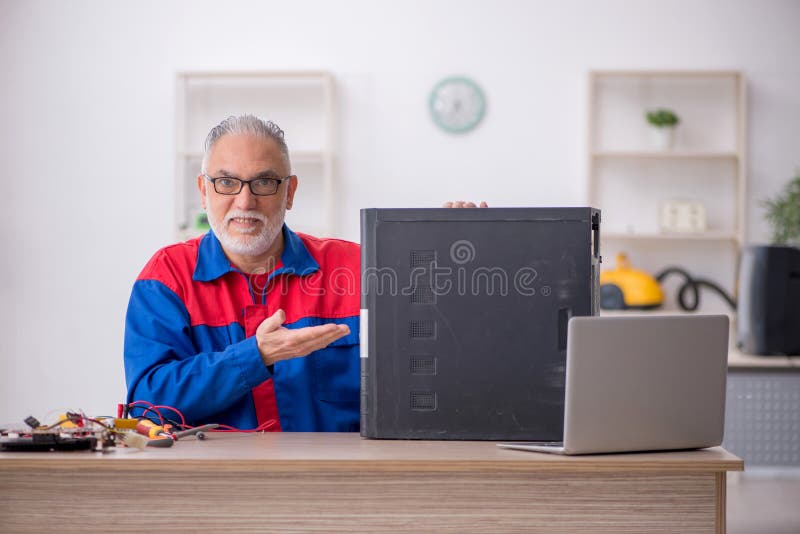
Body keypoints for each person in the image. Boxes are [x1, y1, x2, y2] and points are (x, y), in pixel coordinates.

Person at [124, 114, 486, 432]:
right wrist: (256, 355)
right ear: (204, 191)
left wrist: (464, 262)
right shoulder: (167, 278)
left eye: (264, 183)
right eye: (226, 182)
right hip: (219, 490)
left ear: (290, 192)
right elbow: (147, 406)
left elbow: (439, 343)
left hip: (343, 486)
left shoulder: (360, 268)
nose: (245, 201)